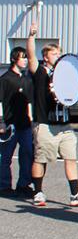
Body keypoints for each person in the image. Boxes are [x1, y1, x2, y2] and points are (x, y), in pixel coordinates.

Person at [27, 22, 78, 207]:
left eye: (59, 53)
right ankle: (38, 192)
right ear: (46, 56)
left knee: (70, 157)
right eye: (54, 53)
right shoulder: (40, 71)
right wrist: (31, 36)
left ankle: (75, 194)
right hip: (44, 123)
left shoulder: (65, 71)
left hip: (64, 124)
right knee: (41, 159)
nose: (58, 56)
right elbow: (31, 56)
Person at [0, 46, 35, 199]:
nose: (26, 60)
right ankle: (4, 185)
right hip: (9, 124)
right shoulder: (5, 79)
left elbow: (29, 102)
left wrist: (31, 120)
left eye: (27, 57)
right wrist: (1, 122)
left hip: (25, 125)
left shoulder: (26, 79)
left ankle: (23, 185)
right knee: (6, 156)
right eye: (23, 57)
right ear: (14, 59)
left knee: (27, 153)